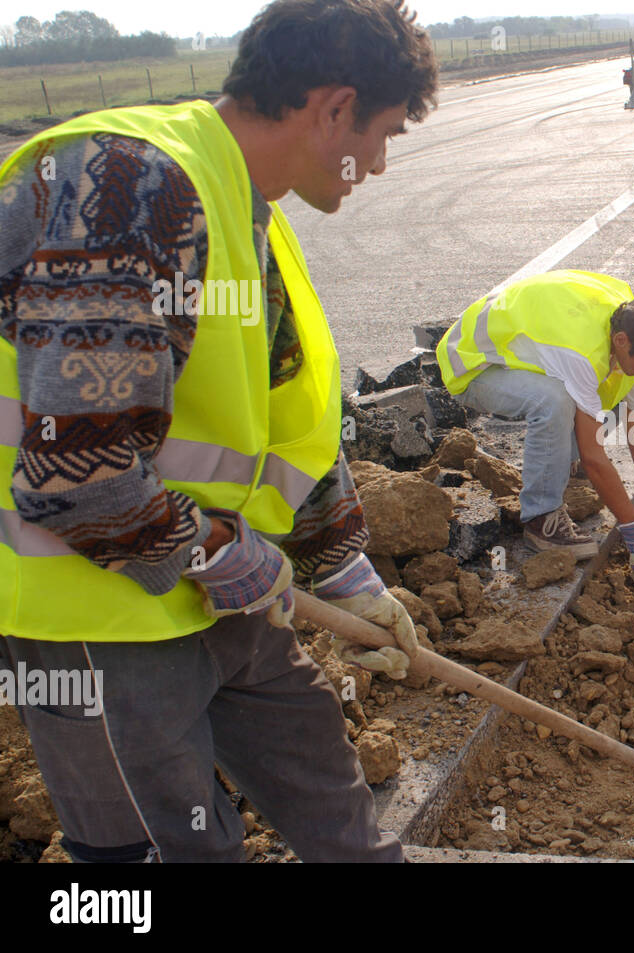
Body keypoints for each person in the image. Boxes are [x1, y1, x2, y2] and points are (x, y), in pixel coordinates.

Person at [0, 0, 439, 862]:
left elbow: (283, 415)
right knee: (161, 854)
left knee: (332, 804)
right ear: (335, 107)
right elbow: (76, 471)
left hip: (222, 593)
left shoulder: (245, 207)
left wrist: (340, 564)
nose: (379, 165)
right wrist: (219, 555)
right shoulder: (130, 183)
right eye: (383, 134)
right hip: (100, 612)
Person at [435, 270, 634, 583]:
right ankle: (542, 520)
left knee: (605, 393)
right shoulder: (582, 353)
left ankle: (559, 466)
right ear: (622, 342)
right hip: (472, 362)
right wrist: (633, 527)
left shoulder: (633, 327)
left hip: (533, 349)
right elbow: (595, 458)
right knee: (554, 401)